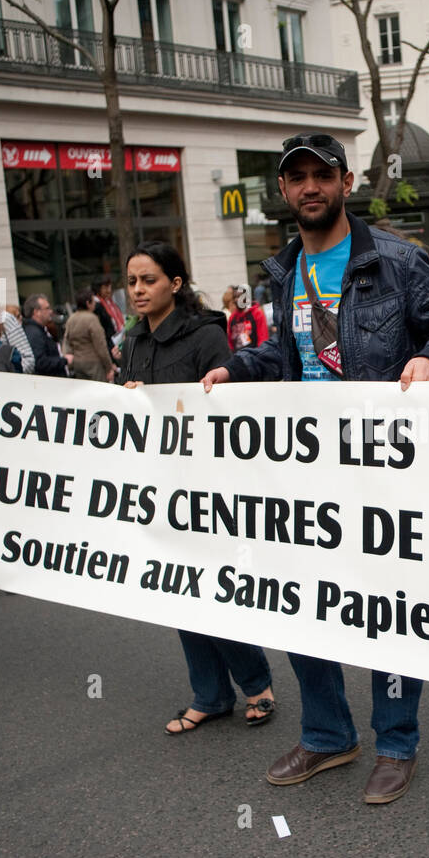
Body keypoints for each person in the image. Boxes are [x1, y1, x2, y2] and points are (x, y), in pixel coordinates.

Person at [202, 132, 429, 804]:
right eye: (296, 177)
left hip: (383, 469)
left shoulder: (396, 260)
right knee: (301, 602)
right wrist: (238, 367)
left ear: (345, 181)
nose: (309, 187)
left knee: (388, 606)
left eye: (320, 175)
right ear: (284, 190)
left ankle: (396, 741)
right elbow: (286, 355)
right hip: (306, 469)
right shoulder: (283, 270)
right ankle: (329, 734)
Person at [117, 241, 277, 736]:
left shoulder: (206, 335)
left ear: (176, 284)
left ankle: (257, 685)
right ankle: (209, 694)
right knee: (179, 593)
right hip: (159, 488)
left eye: (149, 280)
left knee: (216, 591)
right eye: (132, 282)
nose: (139, 290)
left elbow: (226, 411)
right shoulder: (134, 342)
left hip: (207, 488)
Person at [64, 290, 115, 382]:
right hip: (94, 364)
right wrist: (109, 367)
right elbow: (101, 346)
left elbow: (67, 341)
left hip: (78, 363)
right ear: (88, 303)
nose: (95, 303)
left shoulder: (71, 319)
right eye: (93, 301)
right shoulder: (92, 319)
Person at [21, 293, 71, 377]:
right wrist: (64, 360)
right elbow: (40, 362)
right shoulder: (34, 333)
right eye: (47, 308)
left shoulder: (39, 330)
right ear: (37, 312)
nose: (51, 311)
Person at [222, 284, 269, 353]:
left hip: (254, 356)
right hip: (238, 357)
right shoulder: (232, 318)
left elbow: (263, 338)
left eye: (239, 296)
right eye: (235, 297)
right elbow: (230, 342)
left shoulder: (256, 313)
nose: (237, 299)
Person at [92, 277, 125, 352]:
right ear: (98, 289)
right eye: (105, 288)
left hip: (117, 337)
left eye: (110, 287)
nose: (109, 290)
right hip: (108, 341)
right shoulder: (96, 305)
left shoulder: (109, 301)